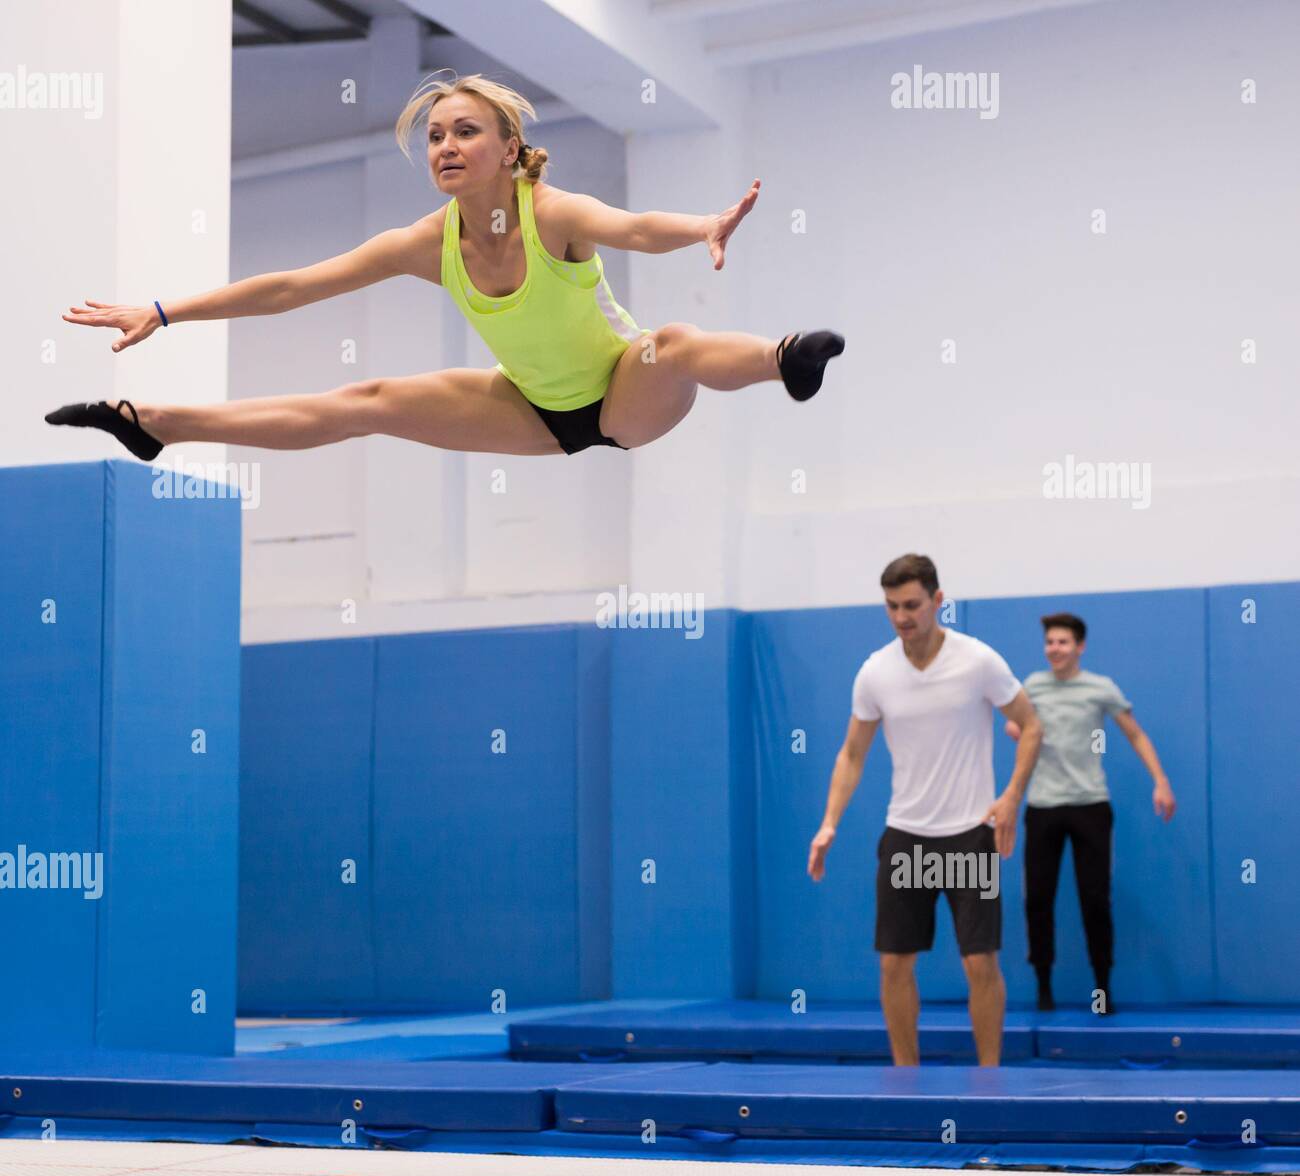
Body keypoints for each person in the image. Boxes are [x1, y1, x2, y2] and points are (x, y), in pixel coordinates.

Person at [45, 71, 845, 461]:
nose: (446, 147)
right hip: (531, 411)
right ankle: (154, 424)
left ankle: (785, 358)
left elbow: (633, 226)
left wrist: (707, 223)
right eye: (435, 137)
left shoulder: (551, 213)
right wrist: (164, 310)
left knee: (670, 340)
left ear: (507, 147)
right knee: (368, 399)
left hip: (623, 398)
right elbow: (294, 286)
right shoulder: (425, 244)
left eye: (465, 132)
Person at [808, 554, 1042, 1067]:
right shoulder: (875, 672)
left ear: (938, 601)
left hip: (969, 834)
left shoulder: (978, 660)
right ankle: (905, 1080)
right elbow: (852, 753)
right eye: (891, 606)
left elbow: (1031, 724)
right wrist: (829, 823)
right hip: (906, 836)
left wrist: (1010, 797)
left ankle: (989, 1080)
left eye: (911, 604)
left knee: (979, 961)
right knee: (894, 962)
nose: (901, 616)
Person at [1006, 612, 1176, 1014]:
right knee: (1038, 900)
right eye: (1049, 642)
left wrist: (1161, 780)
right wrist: (1018, 730)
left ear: (1079, 647)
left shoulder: (1100, 688)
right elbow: (1016, 726)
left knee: (1095, 899)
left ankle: (1102, 990)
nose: (1055, 649)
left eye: (1063, 642)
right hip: (1043, 806)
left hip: (1090, 806)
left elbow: (1134, 732)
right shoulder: (1032, 686)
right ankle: (1043, 988)